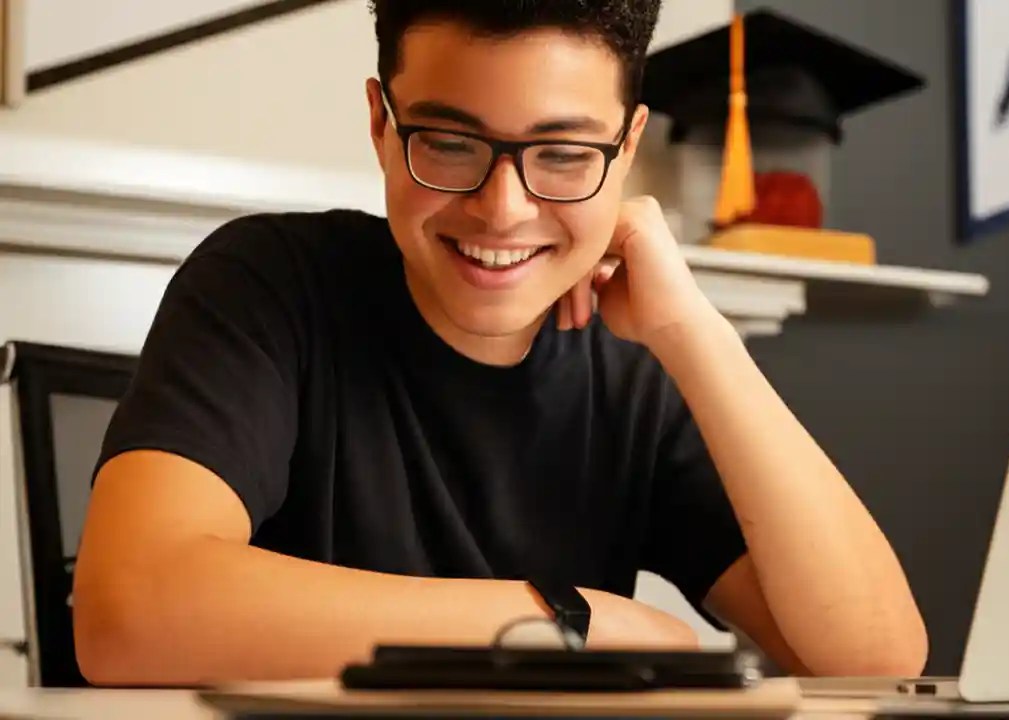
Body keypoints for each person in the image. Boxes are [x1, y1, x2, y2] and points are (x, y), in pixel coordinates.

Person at [71, 0, 927, 686]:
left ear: (627, 147)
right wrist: (571, 622)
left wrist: (694, 332)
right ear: (381, 123)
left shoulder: (635, 373)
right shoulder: (269, 284)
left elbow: (873, 658)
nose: (502, 207)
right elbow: (129, 612)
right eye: (448, 143)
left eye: (561, 154)